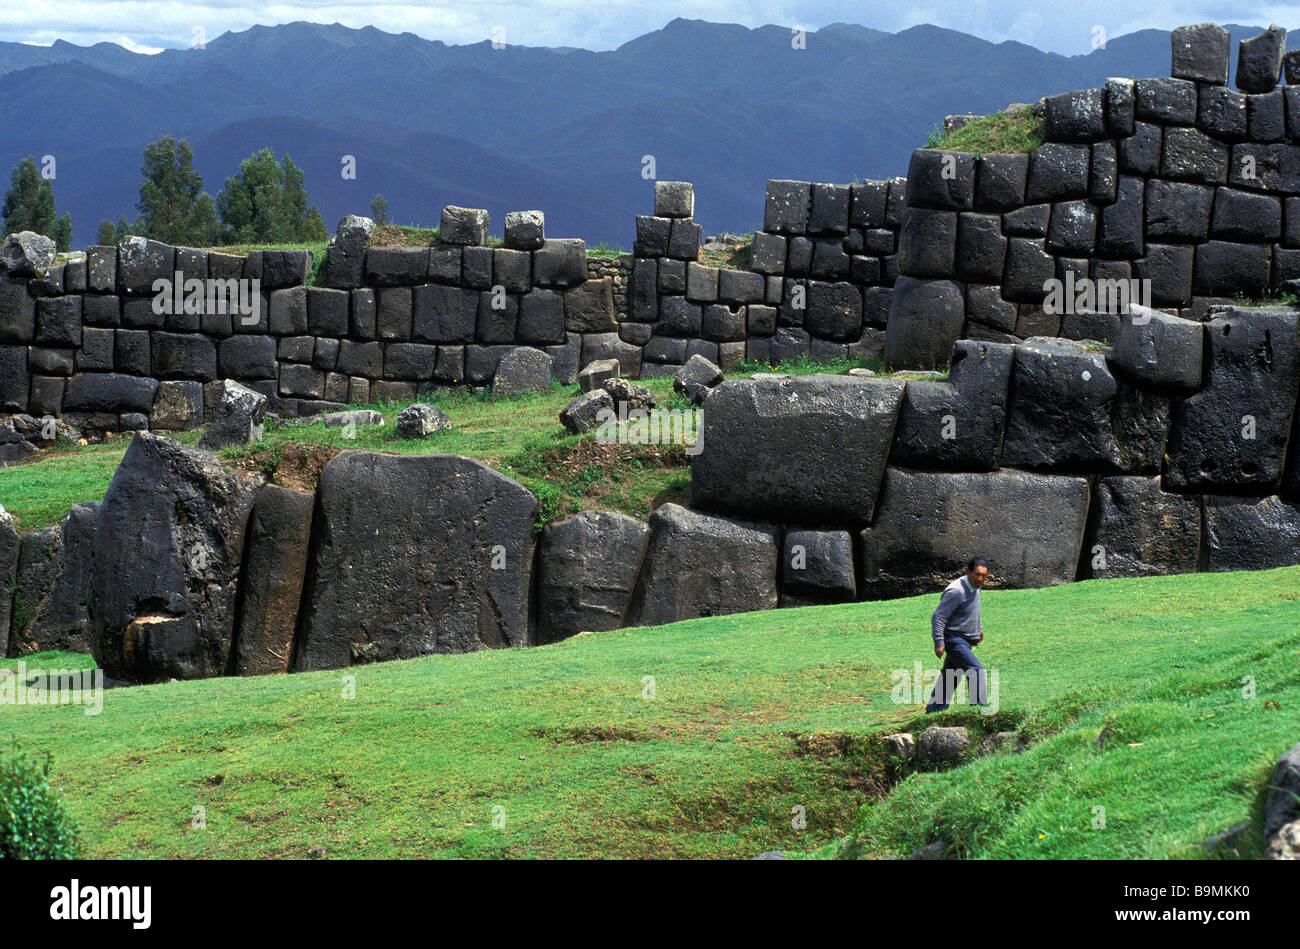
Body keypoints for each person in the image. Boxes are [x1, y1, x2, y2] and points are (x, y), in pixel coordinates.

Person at [925, 557, 989, 713]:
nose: (980, 579)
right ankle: (979, 711)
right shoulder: (956, 591)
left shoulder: (976, 586)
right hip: (954, 639)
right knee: (975, 670)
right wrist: (939, 642)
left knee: (951, 675)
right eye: (977, 574)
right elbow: (938, 617)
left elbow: (973, 608)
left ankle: (934, 710)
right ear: (968, 572)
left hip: (966, 639)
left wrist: (978, 629)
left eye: (983, 576)